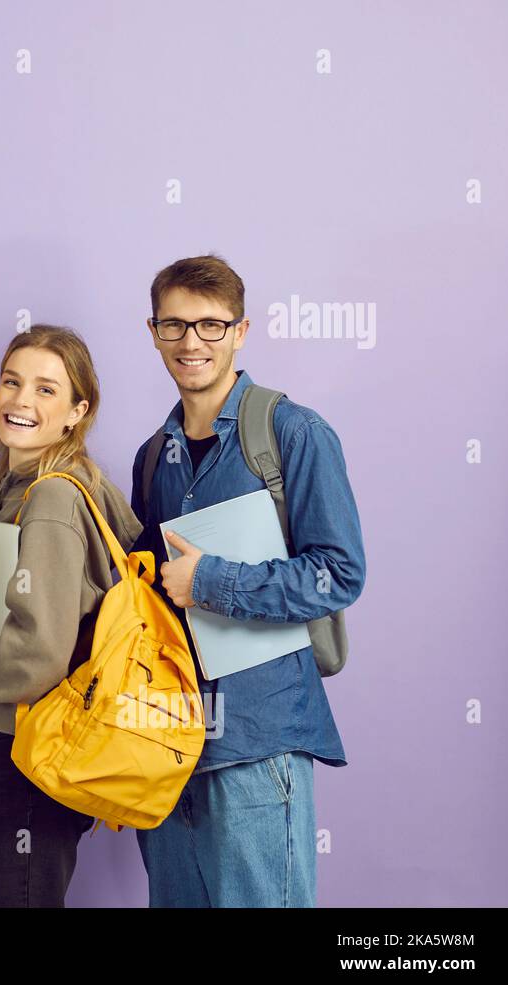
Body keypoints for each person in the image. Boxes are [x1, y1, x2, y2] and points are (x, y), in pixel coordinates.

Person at [131, 253, 366, 907]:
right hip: (171, 748)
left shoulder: (293, 433)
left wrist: (212, 582)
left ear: (241, 330)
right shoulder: (153, 457)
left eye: (210, 325)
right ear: (152, 332)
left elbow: (338, 574)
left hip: (259, 743)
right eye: (174, 326)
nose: (191, 342)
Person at [0, 325, 140, 907]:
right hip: (7, 746)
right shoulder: (14, 488)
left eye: (46, 389)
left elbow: (37, 653)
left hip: (27, 751)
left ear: (77, 411)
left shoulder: (53, 497)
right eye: (12, 382)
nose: (21, 401)